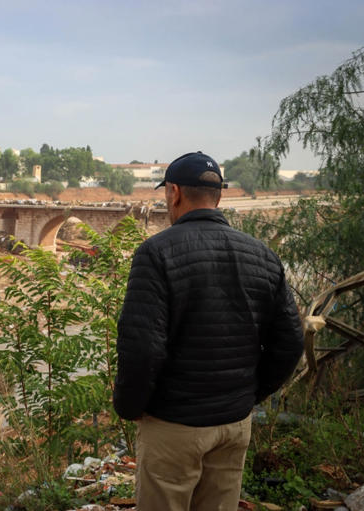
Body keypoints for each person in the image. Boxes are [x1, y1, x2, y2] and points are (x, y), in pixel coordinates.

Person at [113, 151, 304, 511]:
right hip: (234, 424)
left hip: (174, 424)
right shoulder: (263, 255)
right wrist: (248, 395)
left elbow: (142, 347)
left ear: (174, 192)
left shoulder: (156, 253)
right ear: (218, 196)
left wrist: (129, 406)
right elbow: (291, 342)